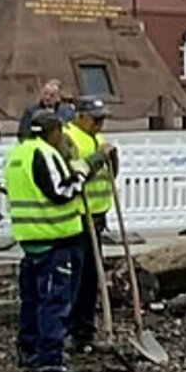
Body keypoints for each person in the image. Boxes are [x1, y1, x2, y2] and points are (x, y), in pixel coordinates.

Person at [3, 107, 85, 372]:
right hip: (54, 239)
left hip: (30, 239)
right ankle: (50, 357)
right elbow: (60, 191)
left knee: (32, 299)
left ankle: (28, 349)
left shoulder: (17, 154)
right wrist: (81, 175)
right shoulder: (44, 153)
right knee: (54, 301)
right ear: (53, 131)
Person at [63, 98, 118, 350]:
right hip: (78, 218)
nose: (100, 123)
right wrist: (98, 158)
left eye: (102, 119)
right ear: (80, 116)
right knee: (78, 278)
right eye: (96, 119)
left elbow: (108, 176)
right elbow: (76, 175)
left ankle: (85, 330)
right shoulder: (68, 138)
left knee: (91, 278)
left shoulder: (96, 138)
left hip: (96, 217)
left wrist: (112, 159)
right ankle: (73, 329)